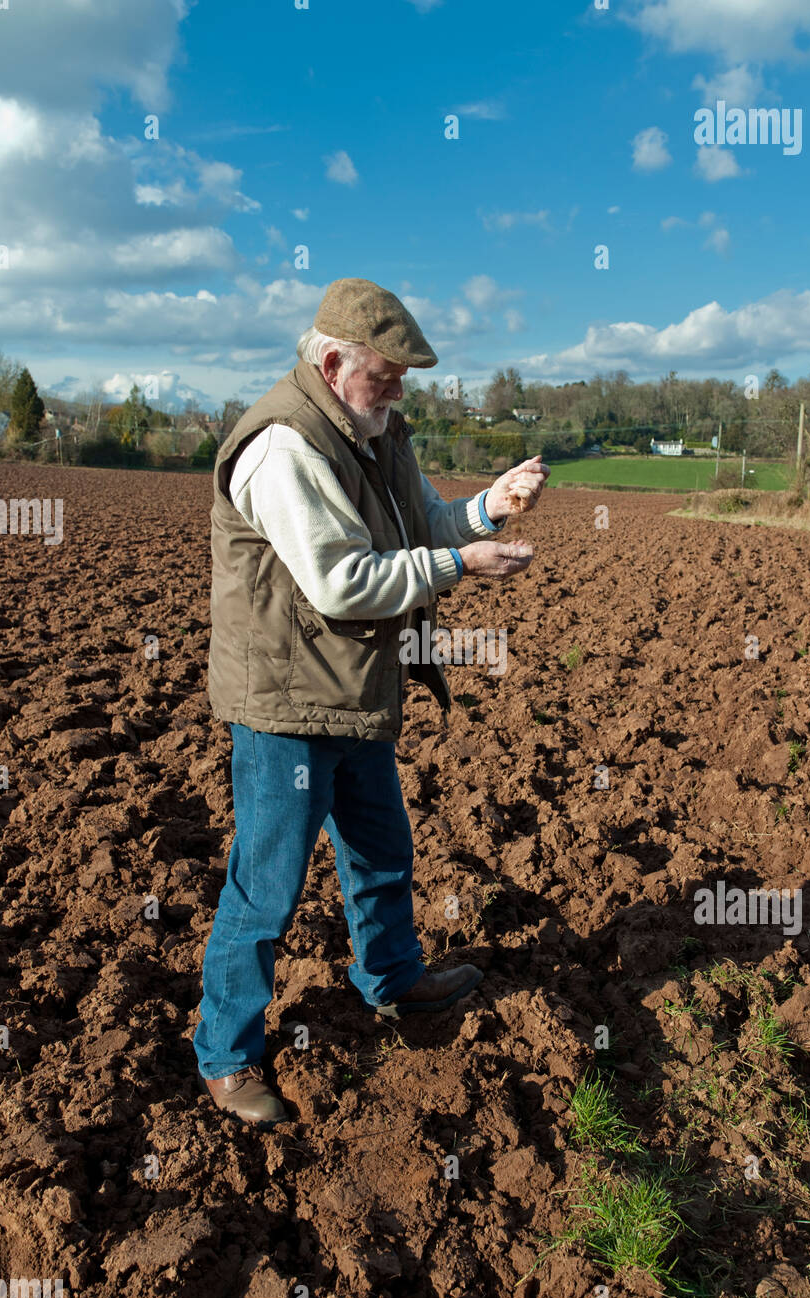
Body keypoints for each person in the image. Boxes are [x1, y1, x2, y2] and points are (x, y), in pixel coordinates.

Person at [194, 276, 549, 1125]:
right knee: (267, 885)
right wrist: (461, 567)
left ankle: (393, 980)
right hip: (284, 699)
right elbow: (345, 582)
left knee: (382, 849)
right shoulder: (284, 446)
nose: (398, 389)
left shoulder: (374, 427)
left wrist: (482, 512)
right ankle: (228, 1054)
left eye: (403, 376)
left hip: (352, 687)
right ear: (330, 362)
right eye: (385, 374)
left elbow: (418, 524)